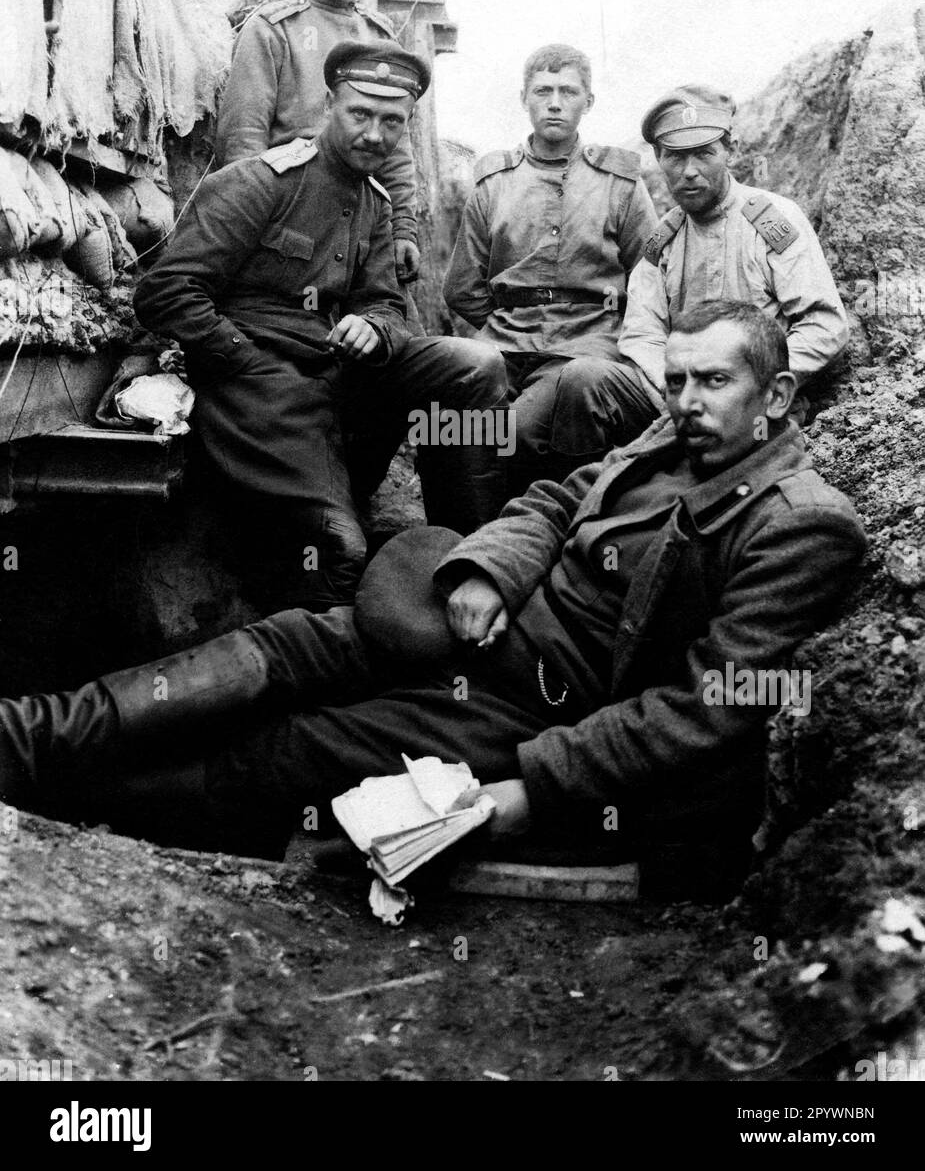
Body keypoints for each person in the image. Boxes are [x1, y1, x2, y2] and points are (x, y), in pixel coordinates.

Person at [0, 303, 866, 890]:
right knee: (284, 645)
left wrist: (538, 784)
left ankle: (57, 813)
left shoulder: (801, 527)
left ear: (777, 395)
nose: (684, 401)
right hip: (459, 619)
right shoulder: (668, 436)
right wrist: (490, 567)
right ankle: (25, 741)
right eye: (676, 380)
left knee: (289, 754)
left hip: (527, 703)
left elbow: (707, 707)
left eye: (711, 382)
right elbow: (557, 499)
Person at [134, 41, 507, 613]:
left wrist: (374, 328)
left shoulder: (375, 204)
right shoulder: (262, 182)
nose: (375, 135)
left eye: (392, 122)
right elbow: (165, 292)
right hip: (258, 389)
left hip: (334, 375)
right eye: (360, 114)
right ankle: (314, 660)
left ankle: (466, 557)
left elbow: (388, 305)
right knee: (340, 548)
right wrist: (241, 356)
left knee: (474, 367)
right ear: (329, 103)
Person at [444, 44, 659, 493]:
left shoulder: (619, 182)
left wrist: (613, 332)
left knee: (513, 433)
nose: (555, 102)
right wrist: (510, 322)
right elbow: (462, 287)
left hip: (587, 344)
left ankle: (557, 522)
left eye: (569, 91)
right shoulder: (493, 182)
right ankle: (471, 543)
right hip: (503, 344)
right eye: (543, 91)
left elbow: (651, 279)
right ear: (524, 98)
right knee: (448, 431)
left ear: (589, 102)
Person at [214, 0, 421, 287]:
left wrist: (403, 229)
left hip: (365, 219)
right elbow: (243, 139)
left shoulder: (380, 38)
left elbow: (397, 147)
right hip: (291, 211)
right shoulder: (274, 28)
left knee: (389, 335)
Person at [616, 85, 850, 429]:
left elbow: (824, 324)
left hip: (754, 409)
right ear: (658, 157)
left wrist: (754, 383)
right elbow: (642, 334)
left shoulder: (771, 221)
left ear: (731, 150)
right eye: (676, 156)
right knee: (585, 383)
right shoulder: (665, 239)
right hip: (677, 406)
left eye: (704, 153)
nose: (690, 170)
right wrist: (677, 392)